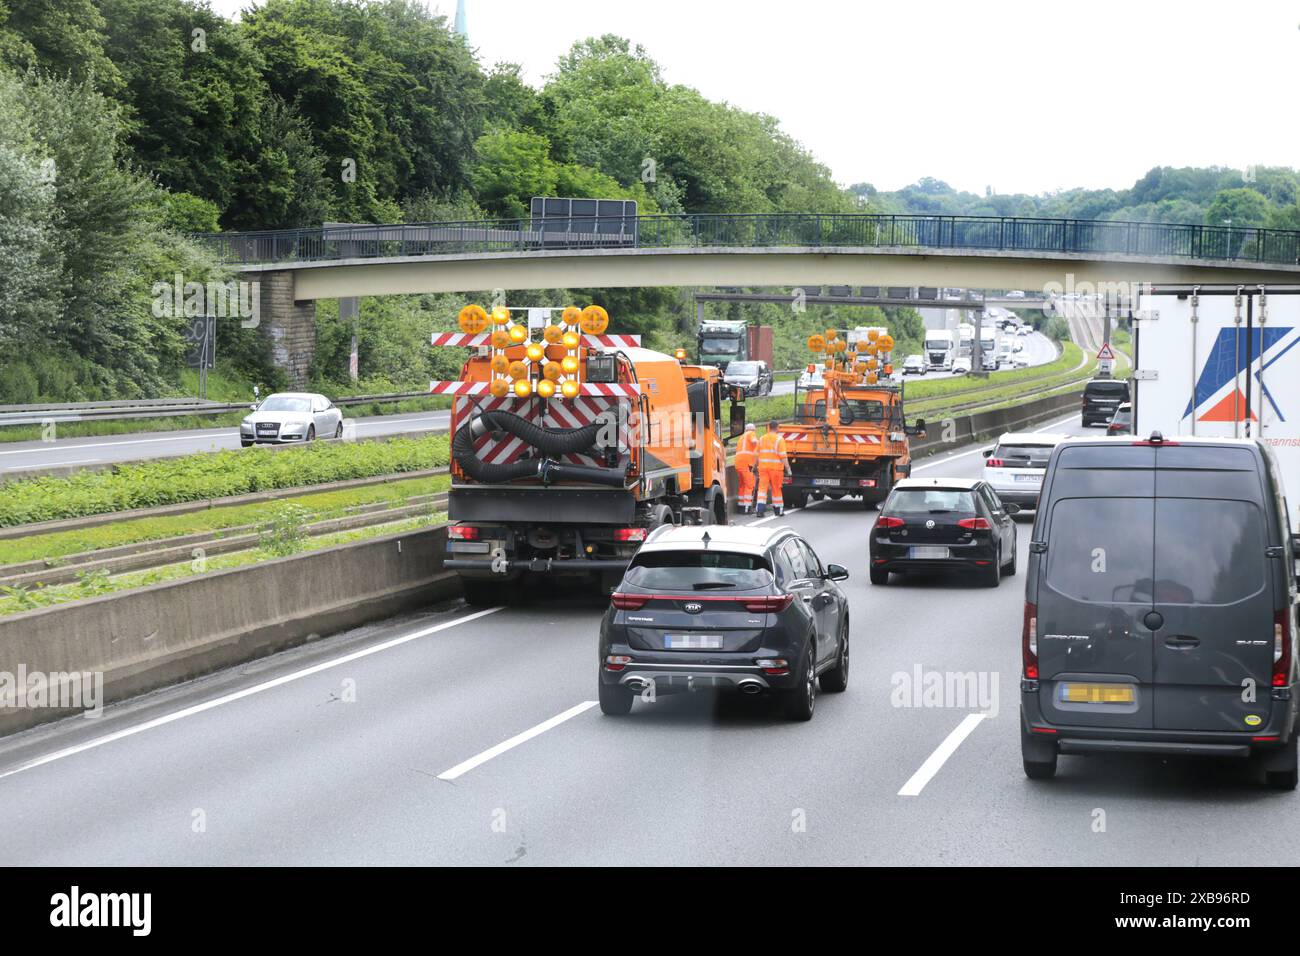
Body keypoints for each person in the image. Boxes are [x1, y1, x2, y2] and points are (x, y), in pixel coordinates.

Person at [755, 420, 791, 517]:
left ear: (769, 427)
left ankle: (760, 510)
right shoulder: (779, 439)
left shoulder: (762, 439)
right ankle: (778, 510)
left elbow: (757, 455)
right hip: (776, 469)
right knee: (776, 489)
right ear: (777, 428)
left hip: (763, 468)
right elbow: (783, 456)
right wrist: (788, 469)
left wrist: (754, 466)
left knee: (762, 489)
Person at [734, 423, 759, 514]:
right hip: (746, 463)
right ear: (753, 430)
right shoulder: (751, 434)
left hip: (738, 463)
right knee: (749, 485)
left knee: (742, 485)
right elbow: (755, 442)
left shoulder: (741, 437)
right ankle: (747, 508)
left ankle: (741, 506)